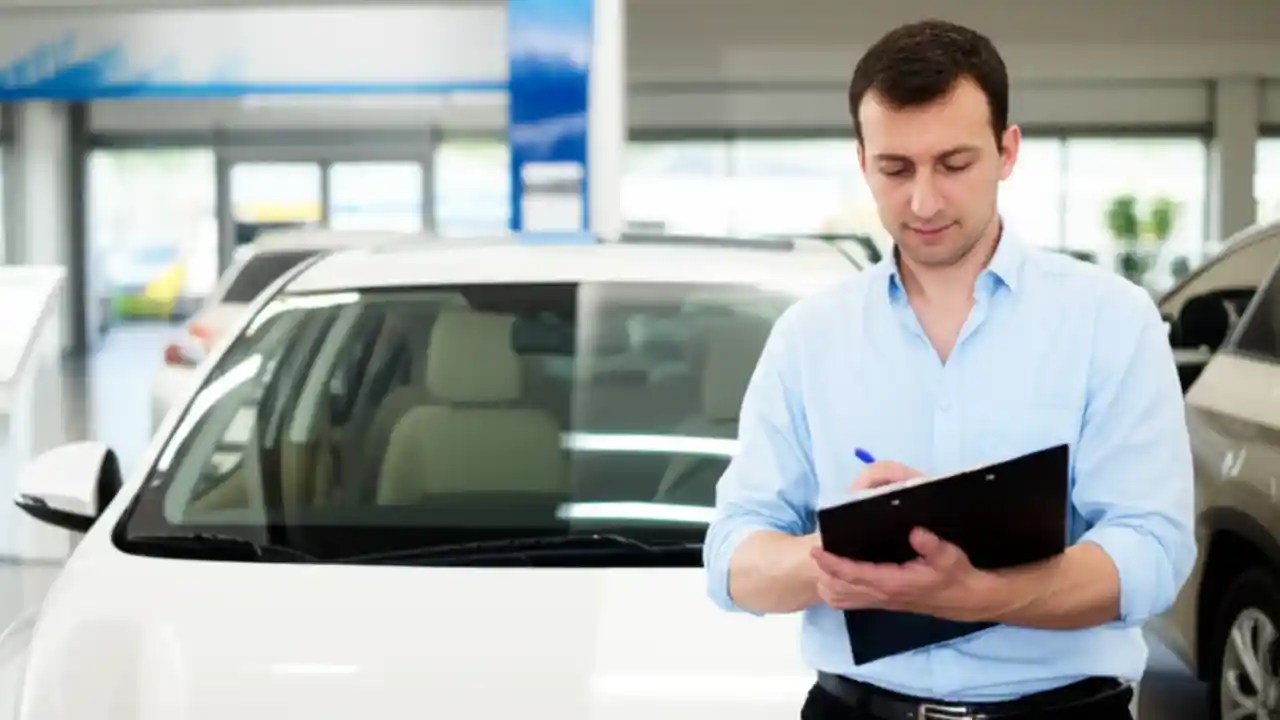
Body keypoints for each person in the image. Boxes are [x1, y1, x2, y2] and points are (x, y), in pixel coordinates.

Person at [703, 18, 1196, 720]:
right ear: (862, 160)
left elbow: (1152, 555)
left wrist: (985, 594)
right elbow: (731, 560)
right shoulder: (809, 337)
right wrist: (835, 559)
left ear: (1007, 151)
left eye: (954, 165)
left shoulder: (1110, 321)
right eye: (895, 169)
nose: (924, 202)